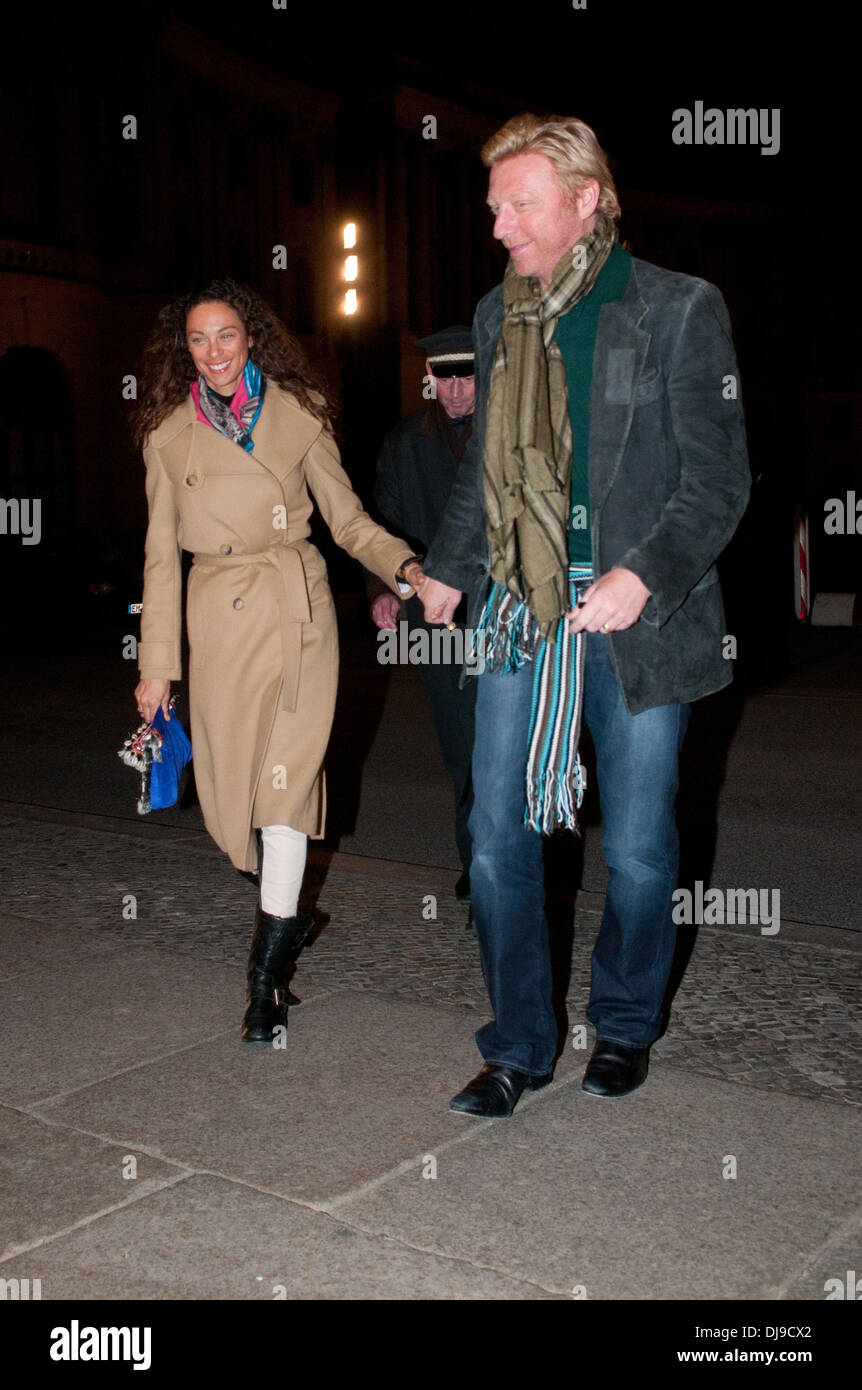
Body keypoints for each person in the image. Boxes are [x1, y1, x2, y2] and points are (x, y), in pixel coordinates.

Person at [417, 114, 750, 1117]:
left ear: (584, 200)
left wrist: (642, 574)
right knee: (494, 838)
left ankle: (625, 1022)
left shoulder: (679, 310)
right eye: (492, 207)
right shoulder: (496, 316)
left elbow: (718, 477)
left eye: (518, 204)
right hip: (523, 608)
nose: (499, 226)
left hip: (638, 619)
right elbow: (484, 467)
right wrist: (446, 568)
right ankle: (518, 1044)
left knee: (644, 848)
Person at [132, 277, 422, 1044]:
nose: (214, 352)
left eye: (226, 334)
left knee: (284, 794)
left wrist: (407, 569)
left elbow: (350, 520)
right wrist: (155, 665)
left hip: (297, 614)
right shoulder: (166, 436)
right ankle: (287, 915)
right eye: (198, 339)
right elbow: (160, 559)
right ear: (184, 350)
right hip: (218, 620)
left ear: (251, 336)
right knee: (232, 809)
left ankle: (264, 985)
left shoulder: (301, 416)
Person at [367, 326, 478, 899]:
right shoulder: (404, 443)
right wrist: (383, 588)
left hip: (500, 613)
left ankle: (511, 864)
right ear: (429, 379)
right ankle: (478, 862)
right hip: (435, 622)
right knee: (461, 748)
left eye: (468, 375)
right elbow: (379, 531)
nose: (456, 391)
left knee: (507, 744)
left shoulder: (509, 439)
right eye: (444, 377)